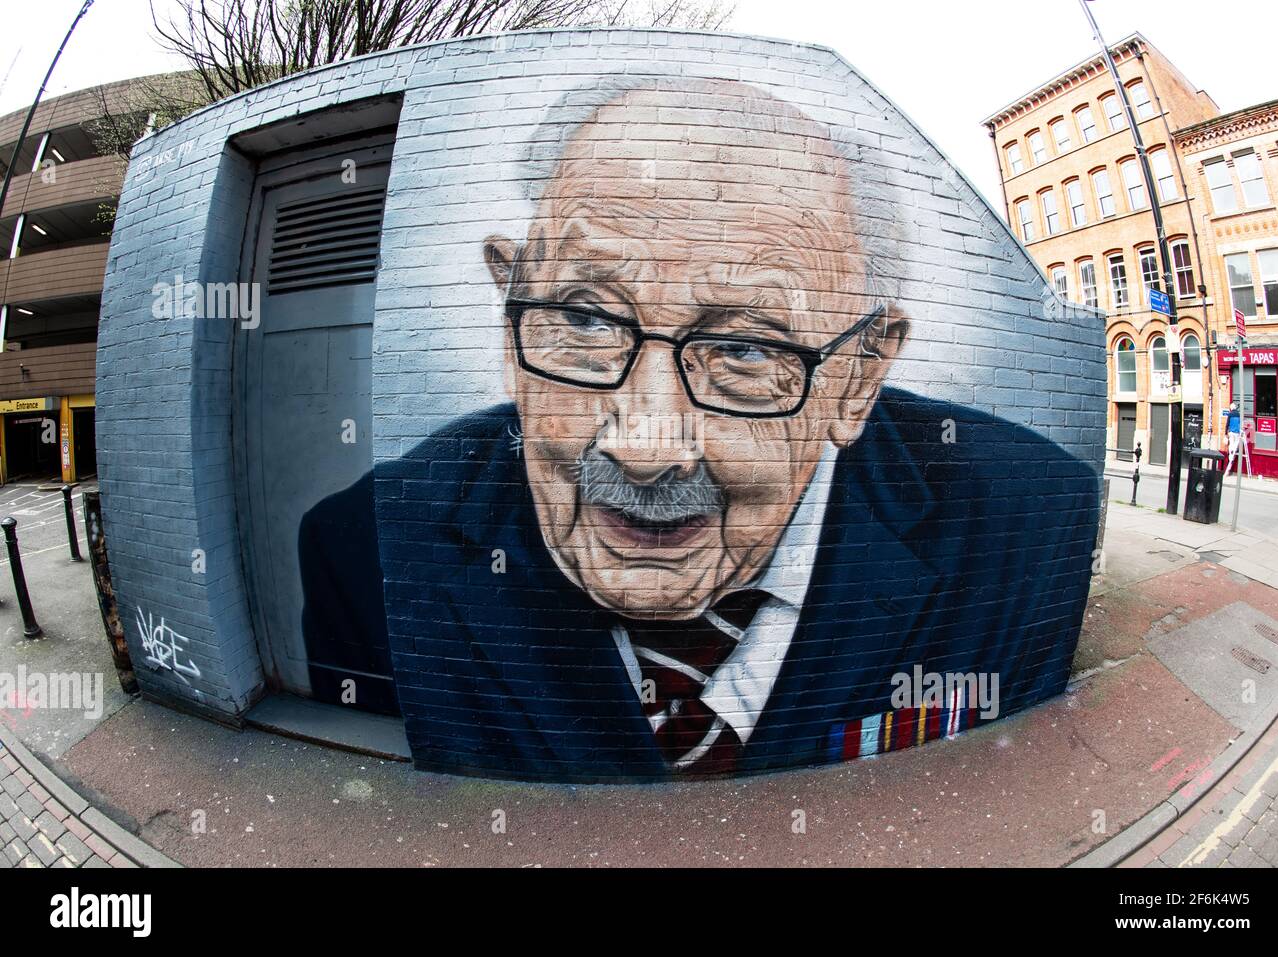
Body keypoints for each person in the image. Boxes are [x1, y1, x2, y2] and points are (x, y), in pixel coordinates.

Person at [299, 79, 1100, 781]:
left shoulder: (1027, 529)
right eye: (583, 317)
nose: (644, 449)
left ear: (857, 378)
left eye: (744, 348)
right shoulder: (368, 549)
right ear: (512, 323)